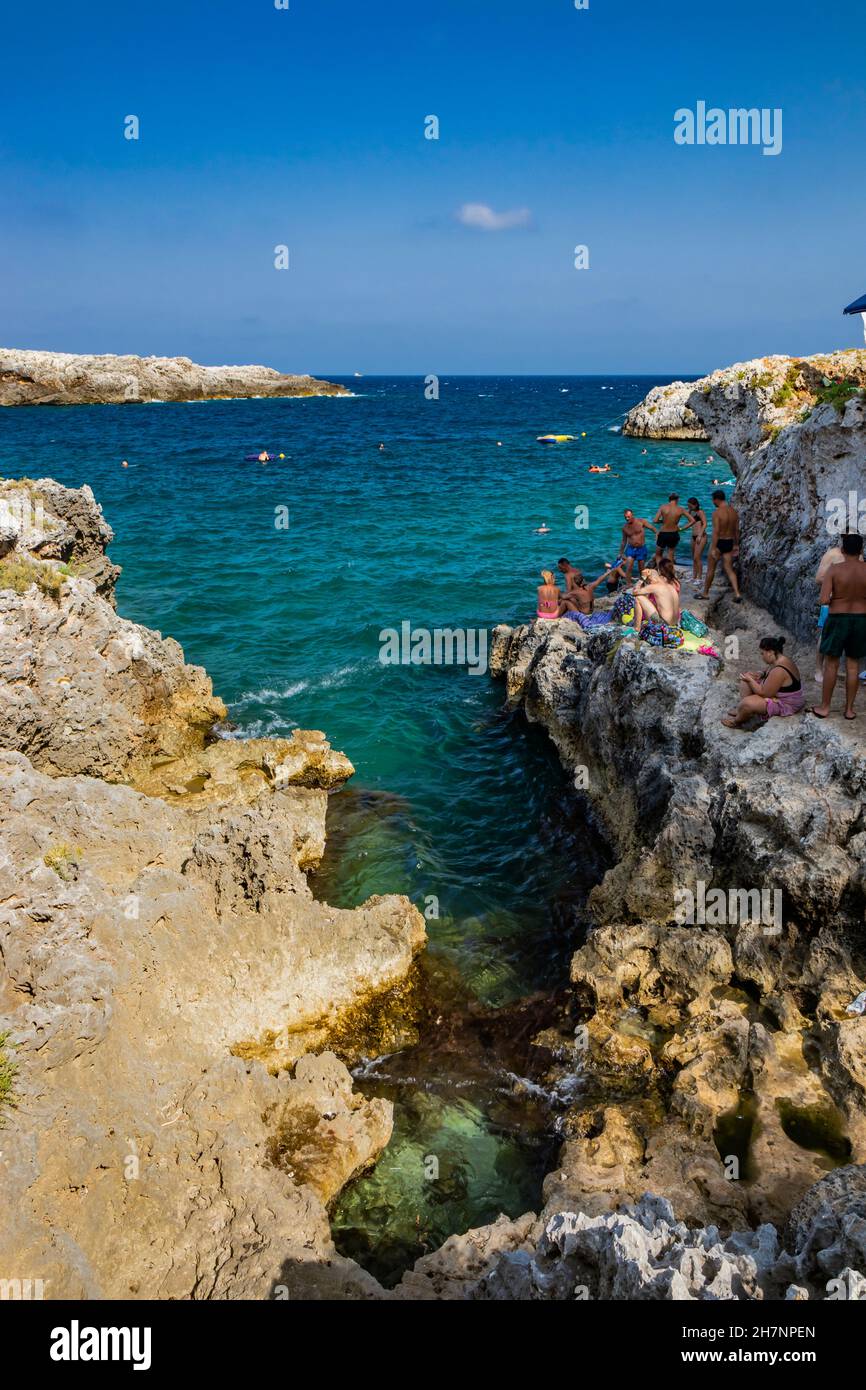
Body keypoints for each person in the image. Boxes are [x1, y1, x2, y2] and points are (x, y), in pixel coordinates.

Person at [812, 532, 866, 720]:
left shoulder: (834, 570)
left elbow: (824, 599)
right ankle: (849, 710)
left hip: (838, 618)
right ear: (861, 550)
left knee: (832, 664)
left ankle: (825, 707)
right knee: (853, 665)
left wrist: (840, 597)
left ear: (842, 550)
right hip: (861, 619)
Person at [722, 637, 804, 728]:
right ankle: (742, 711)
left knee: (747, 703)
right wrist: (761, 674)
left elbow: (764, 693)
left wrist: (751, 680)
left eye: (762, 653)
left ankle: (737, 721)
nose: (762, 657)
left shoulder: (779, 670)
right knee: (746, 679)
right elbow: (769, 670)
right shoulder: (779, 659)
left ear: (770, 652)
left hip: (786, 704)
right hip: (777, 693)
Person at [701, 490, 742, 601]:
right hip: (729, 542)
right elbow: (736, 530)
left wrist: (714, 548)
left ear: (717, 499)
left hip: (719, 543)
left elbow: (716, 532)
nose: (713, 502)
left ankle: (705, 593)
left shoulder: (717, 513)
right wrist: (736, 545)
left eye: (713, 500)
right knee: (729, 569)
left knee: (711, 569)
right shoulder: (733, 512)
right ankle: (737, 593)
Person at [813, 541, 845, 683]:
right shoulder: (832, 554)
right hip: (831, 601)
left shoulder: (858, 555)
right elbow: (819, 578)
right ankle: (818, 669)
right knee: (825, 635)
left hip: (850, 603)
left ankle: (834, 668)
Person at [632, 558, 681, 629]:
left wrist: (642, 578)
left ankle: (636, 628)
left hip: (664, 624)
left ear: (653, 578)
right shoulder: (670, 586)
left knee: (638, 598)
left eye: (649, 580)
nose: (649, 583)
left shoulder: (654, 586)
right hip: (676, 623)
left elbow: (634, 591)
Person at [653, 493, 695, 564]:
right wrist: (681, 529)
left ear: (669, 499)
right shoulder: (681, 509)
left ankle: (660, 572)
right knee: (671, 555)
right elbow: (692, 521)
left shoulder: (663, 507)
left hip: (663, 533)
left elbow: (655, 520)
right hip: (674, 534)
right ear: (677, 500)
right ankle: (670, 573)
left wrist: (662, 521)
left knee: (658, 555)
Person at [620, 509, 658, 580]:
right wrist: (620, 553)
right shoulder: (625, 528)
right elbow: (624, 541)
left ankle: (643, 583)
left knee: (641, 569)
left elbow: (652, 528)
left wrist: (657, 534)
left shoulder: (641, 521)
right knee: (629, 568)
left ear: (632, 515)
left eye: (628, 517)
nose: (627, 519)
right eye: (625, 517)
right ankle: (628, 584)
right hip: (631, 549)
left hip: (641, 548)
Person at [687, 498, 708, 587]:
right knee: (693, 558)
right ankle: (694, 577)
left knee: (697, 557)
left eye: (690, 505)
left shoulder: (700, 512)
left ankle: (699, 578)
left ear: (695, 505)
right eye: (688, 506)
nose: (689, 507)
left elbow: (705, 524)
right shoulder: (690, 512)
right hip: (693, 536)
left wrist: (700, 535)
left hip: (701, 536)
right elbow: (690, 522)